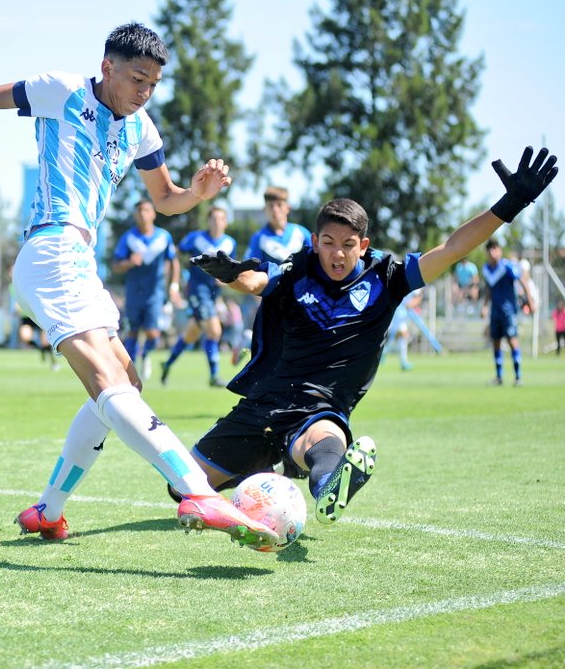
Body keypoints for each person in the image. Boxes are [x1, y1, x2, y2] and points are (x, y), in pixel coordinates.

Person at [0, 22, 278, 547]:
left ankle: (49, 510)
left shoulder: (141, 128)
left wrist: (196, 193)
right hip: (52, 248)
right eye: (137, 79)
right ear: (107, 67)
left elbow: (165, 198)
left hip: (79, 261)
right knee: (108, 380)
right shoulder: (61, 91)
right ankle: (198, 492)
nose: (144, 92)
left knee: (126, 383)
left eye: (153, 84)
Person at [177, 146, 556, 533]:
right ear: (315, 241)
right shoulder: (297, 269)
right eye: (328, 242)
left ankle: (330, 487)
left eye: (348, 244)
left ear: (363, 244)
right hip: (267, 400)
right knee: (182, 488)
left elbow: (452, 248)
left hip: (321, 407)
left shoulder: (387, 276)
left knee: (322, 444)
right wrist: (230, 274)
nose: (337, 254)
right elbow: (256, 280)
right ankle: (260, 472)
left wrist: (509, 204)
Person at [235, 187, 313, 365]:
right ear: (265, 209)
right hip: (272, 300)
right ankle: (250, 342)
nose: (275, 209)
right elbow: (250, 271)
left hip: (301, 298)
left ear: (287, 207)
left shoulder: (301, 233)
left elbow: (315, 261)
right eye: (270, 206)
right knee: (274, 350)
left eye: (279, 205)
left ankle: (249, 338)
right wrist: (257, 297)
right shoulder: (259, 238)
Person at [160, 206, 235, 387]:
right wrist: (174, 281)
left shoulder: (230, 243)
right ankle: (214, 376)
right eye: (213, 218)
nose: (217, 222)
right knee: (214, 331)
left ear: (225, 222)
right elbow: (175, 255)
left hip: (213, 294)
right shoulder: (195, 238)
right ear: (208, 221)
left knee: (191, 333)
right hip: (197, 290)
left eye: (221, 219)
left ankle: (167, 363)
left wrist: (225, 281)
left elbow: (231, 270)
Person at [112, 198, 181, 380]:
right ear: (135, 215)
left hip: (155, 293)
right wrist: (129, 262)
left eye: (146, 210)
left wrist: (174, 286)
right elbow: (116, 266)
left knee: (153, 334)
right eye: (139, 211)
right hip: (134, 292)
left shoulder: (163, 237)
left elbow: (173, 262)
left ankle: (145, 355)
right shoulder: (129, 238)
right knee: (132, 332)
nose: (143, 214)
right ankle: (130, 372)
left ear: (153, 214)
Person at [481, 240, 532, 386]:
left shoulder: (507, 266)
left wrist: (530, 301)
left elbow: (522, 280)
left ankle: (518, 377)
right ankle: (499, 377)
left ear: (500, 250)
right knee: (496, 342)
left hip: (508, 311)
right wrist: (485, 306)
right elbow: (489, 289)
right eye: (489, 250)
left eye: (494, 248)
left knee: (512, 340)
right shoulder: (486, 269)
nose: (492, 252)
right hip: (495, 311)